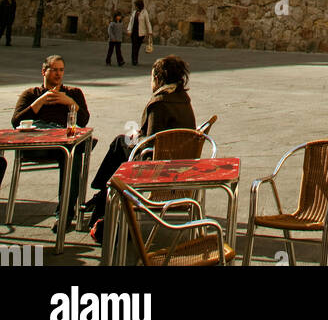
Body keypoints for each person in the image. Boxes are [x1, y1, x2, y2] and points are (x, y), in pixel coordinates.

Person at [85, 55, 195, 237]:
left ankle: (101, 191)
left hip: (157, 165)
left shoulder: (159, 103)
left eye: (152, 77)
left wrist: (137, 136)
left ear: (158, 78)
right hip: (181, 162)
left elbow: (150, 143)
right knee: (122, 143)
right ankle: (102, 191)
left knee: (120, 142)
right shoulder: (183, 97)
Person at [11, 55, 90, 231]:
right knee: (69, 148)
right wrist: (40, 101)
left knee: (73, 152)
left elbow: (84, 121)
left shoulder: (74, 93)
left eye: (61, 70)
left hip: (64, 146)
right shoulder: (31, 94)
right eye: (54, 70)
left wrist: (70, 103)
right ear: (44, 71)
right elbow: (16, 122)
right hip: (39, 145)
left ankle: (64, 215)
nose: (58, 74)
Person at [127, 0, 153, 66]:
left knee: (137, 46)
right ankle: (134, 60)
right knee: (134, 46)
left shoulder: (145, 12)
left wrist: (150, 31)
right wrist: (129, 30)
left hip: (140, 33)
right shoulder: (134, 12)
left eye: (136, 5)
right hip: (134, 32)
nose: (135, 7)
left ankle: (135, 58)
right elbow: (131, 22)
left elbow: (147, 22)